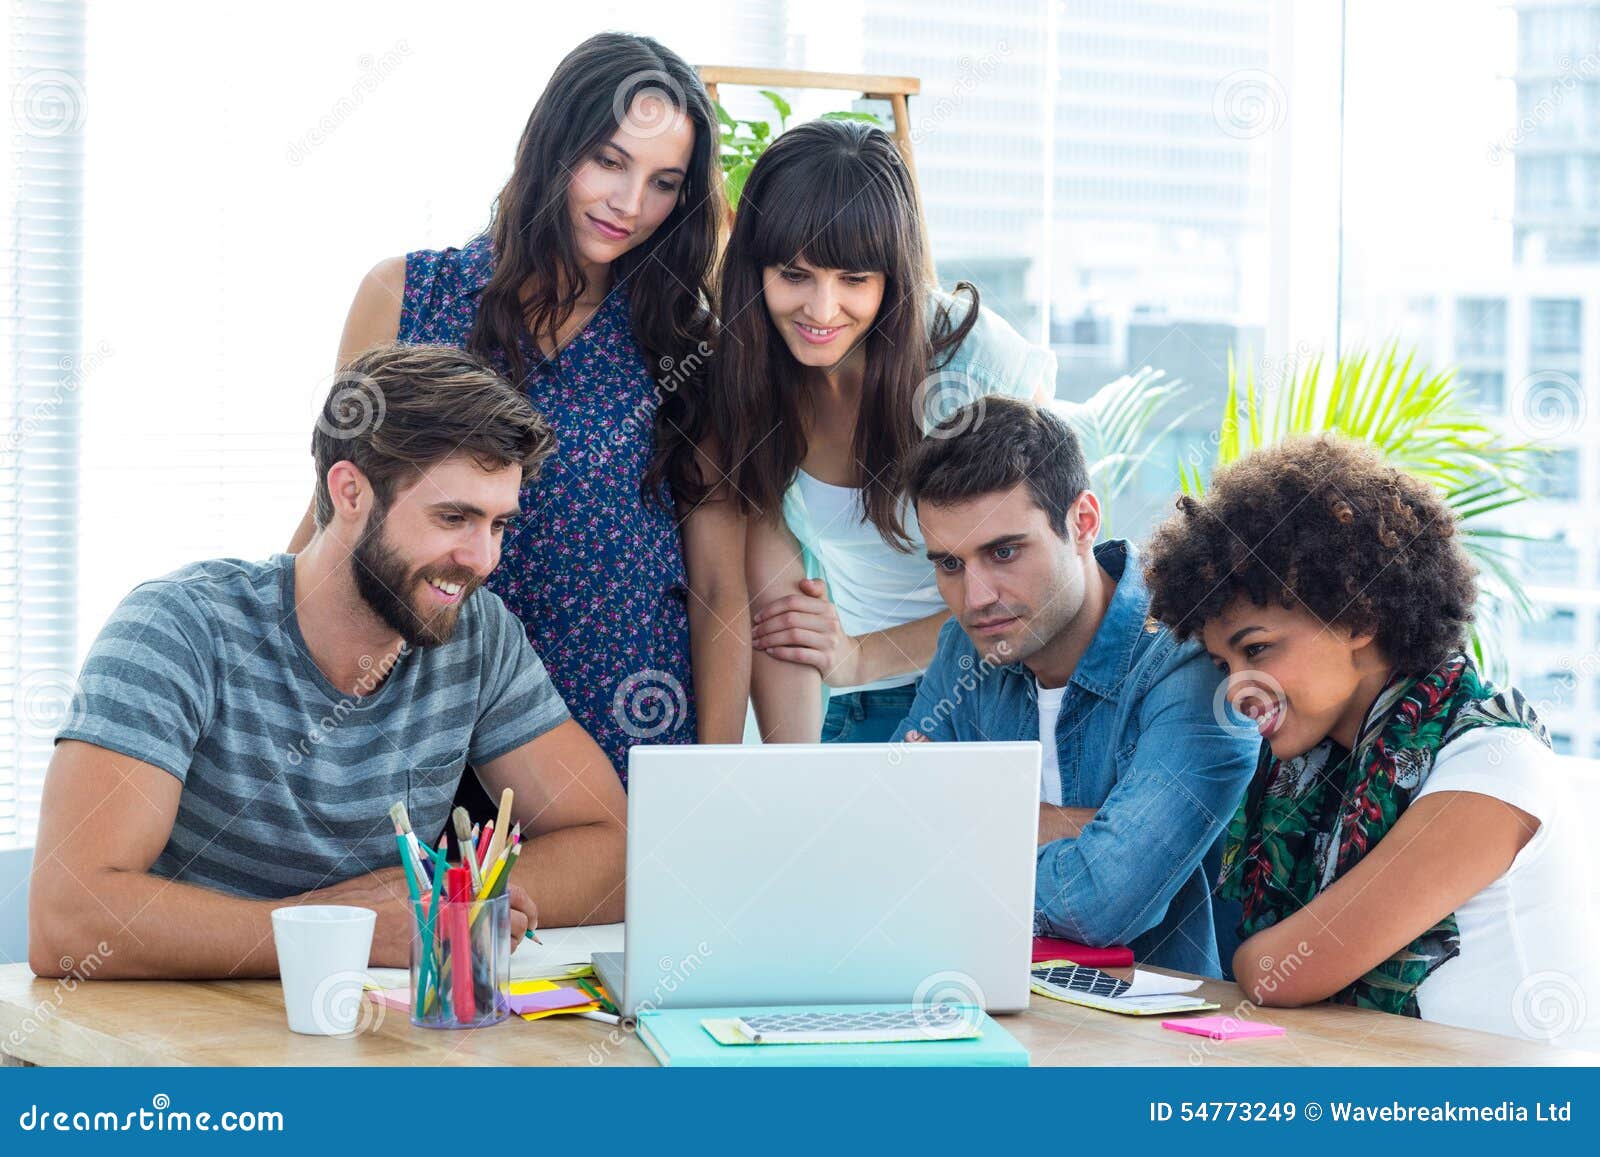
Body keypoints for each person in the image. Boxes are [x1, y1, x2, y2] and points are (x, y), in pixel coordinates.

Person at [28, 344, 627, 980]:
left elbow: (614, 851)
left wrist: (437, 892)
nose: (481, 559)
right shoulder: (179, 629)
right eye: (453, 517)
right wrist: (342, 927)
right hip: (181, 1040)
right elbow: (67, 921)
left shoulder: (479, 636)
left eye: (499, 525)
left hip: (370, 1040)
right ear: (350, 491)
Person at [286, 33, 746, 783]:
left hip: (622, 728)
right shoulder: (404, 298)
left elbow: (721, 585)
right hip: (416, 724)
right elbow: (332, 514)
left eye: (664, 182)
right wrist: (266, 678)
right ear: (554, 146)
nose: (631, 205)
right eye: (609, 161)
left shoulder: (686, 347)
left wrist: (715, 783)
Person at [1142, 435, 1599, 1047]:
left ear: (1358, 618)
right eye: (1225, 665)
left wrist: (1257, 959)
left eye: (1256, 649)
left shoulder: (1494, 765)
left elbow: (1283, 972)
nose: (1236, 688)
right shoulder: (1311, 776)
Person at [685, 118, 1056, 744]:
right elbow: (786, 617)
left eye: (854, 279)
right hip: (858, 706)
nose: (822, 311)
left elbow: (1045, 589)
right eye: (794, 275)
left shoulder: (969, 372)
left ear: (894, 275)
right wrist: (790, 786)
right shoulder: (744, 381)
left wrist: (862, 655)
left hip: (1001, 693)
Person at [892, 397, 1257, 976]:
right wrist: (1083, 827)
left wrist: (966, 823)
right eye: (950, 565)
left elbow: (1099, 906)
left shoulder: (1191, 662)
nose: (976, 597)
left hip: (1150, 1042)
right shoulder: (969, 647)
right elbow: (887, 841)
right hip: (971, 999)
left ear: (1082, 523)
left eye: (1004, 551)